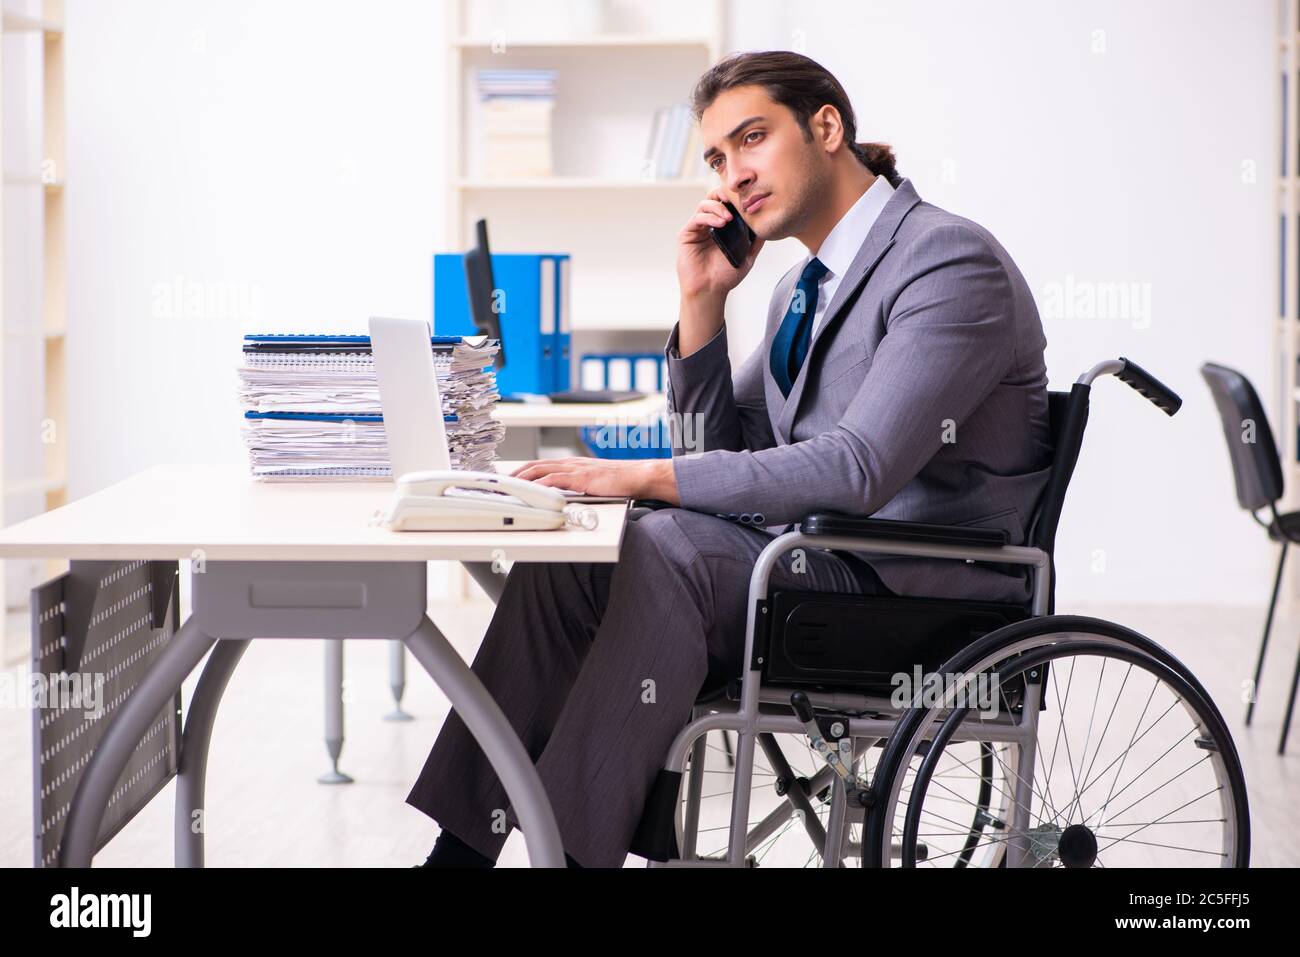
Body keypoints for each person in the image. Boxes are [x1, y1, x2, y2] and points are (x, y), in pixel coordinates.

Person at [410, 50, 1051, 868]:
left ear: (827, 127)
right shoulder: (799, 288)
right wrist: (701, 302)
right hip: (815, 566)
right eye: (717, 158)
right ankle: (457, 855)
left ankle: (568, 856)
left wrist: (639, 477)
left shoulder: (949, 263)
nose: (734, 174)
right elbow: (715, 458)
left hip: (915, 593)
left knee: (660, 540)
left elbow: (857, 467)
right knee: (578, 560)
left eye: (752, 139)